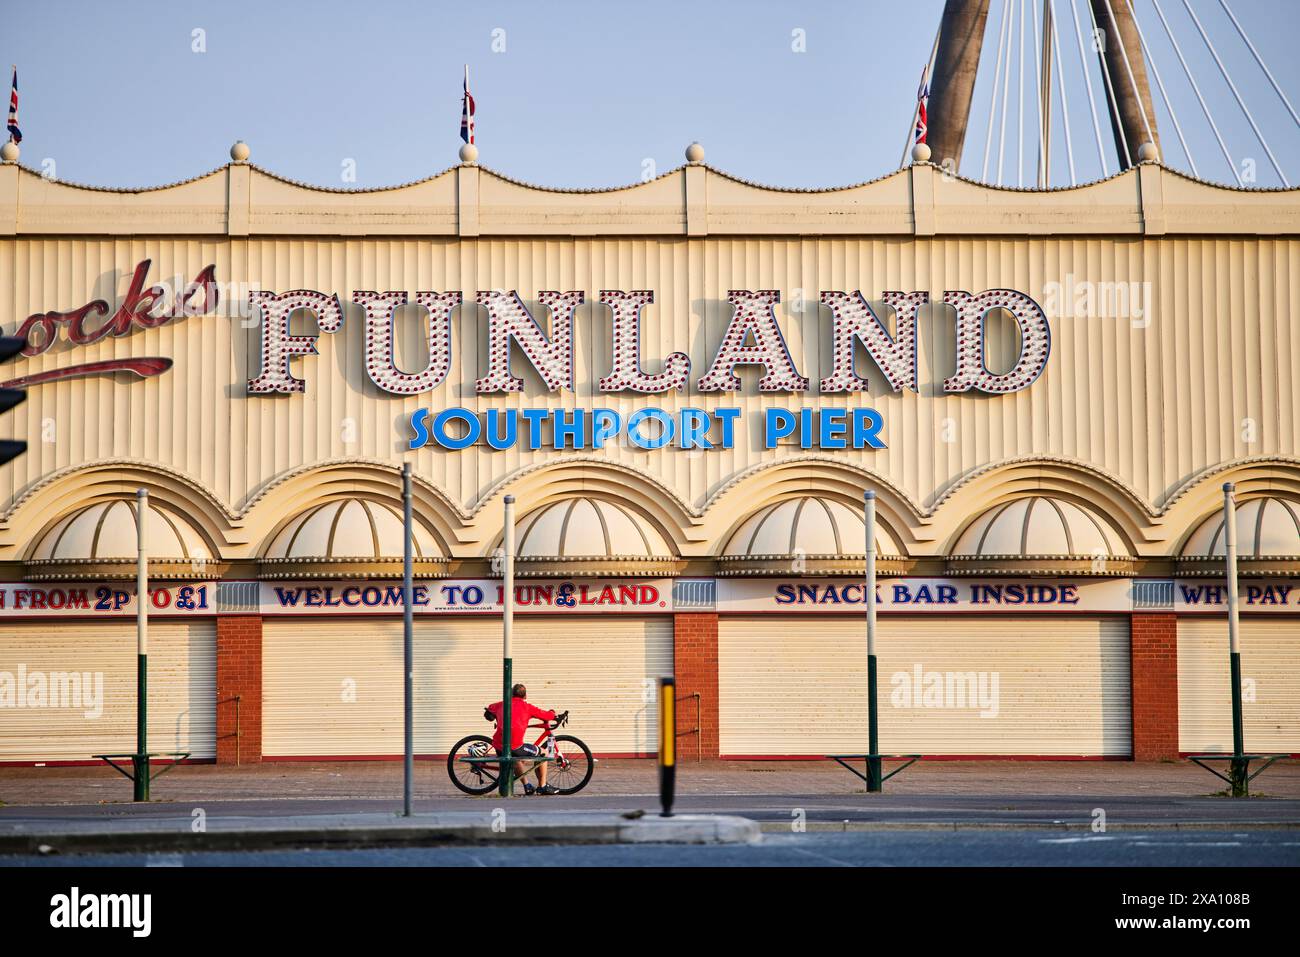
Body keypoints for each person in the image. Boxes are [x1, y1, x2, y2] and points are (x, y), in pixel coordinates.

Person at [485, 683, 559, 795]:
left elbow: (488, 713)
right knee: (545, 753)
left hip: (499, 745)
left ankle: (527, 786)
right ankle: (543, 786)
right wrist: (553, 714)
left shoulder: (501, 705)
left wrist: (496, 716)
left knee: (515, 758)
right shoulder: (528, 707)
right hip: (515, 746)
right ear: (525, 696)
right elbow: (545, 715)